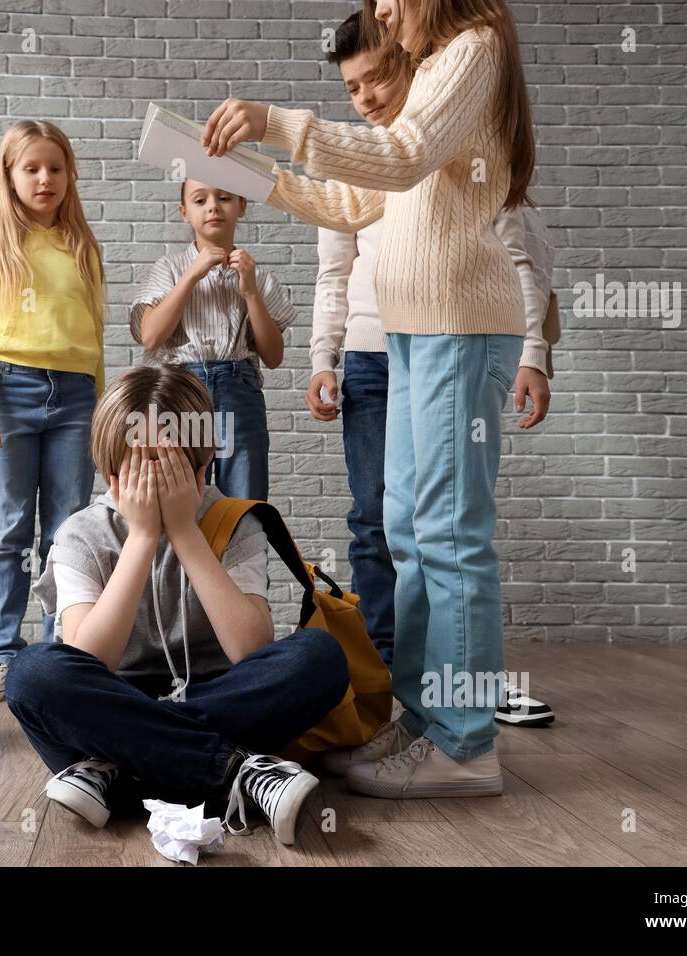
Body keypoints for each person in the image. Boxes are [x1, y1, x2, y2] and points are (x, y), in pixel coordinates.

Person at [202, 0, 543, 798]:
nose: (383, 11)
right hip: (416, 331)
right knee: (406, 529)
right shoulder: (433, 70)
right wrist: (245, 171)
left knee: (450, 535)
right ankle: (425, 722)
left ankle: (465, 743)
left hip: (461, 326)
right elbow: (361, 201)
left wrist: (277, 122)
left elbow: (401, 156)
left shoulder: (475, 48)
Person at [8, 365, 351, 845]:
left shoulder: (234, 524)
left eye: (167, 463)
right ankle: (241, 774)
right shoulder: (82, 534)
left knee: (320, 657)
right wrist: (144, 535)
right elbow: (90, 659)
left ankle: (122, 774)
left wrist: (186, 532)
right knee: (32, 673)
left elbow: (250, 649)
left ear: (201, 465)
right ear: (111, 472)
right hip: (111, 704)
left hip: (216, 697)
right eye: (139, 464)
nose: (154, 479)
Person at [0, 121, 107, 705]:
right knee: (10, 528)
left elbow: (92, 338)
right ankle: (1, 653)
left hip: (74, 399)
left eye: (56, 168)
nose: (45, 179)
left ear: (70, 175)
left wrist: (98, 407)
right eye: (32, 168)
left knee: (69, 528)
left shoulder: (82, 248)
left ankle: (57, 653)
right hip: (7, 391)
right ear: (10, 175)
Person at [128, 179, 297, 501]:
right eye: (200, 200)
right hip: (182, 389)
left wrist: (249, 291)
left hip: (239, 388)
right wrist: (192, 275)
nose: (213, 207)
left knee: (244, 499)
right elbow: (150, 337)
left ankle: (241, 553)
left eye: (224, 197)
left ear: (242, 205)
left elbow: (274, 357)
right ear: (184, 212)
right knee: (182, 494)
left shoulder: (258, 277)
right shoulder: (170, 267)